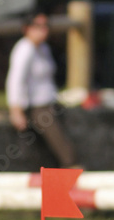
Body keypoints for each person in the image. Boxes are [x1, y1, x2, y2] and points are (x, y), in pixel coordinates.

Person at [6, 12, 77, 168]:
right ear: (27, 28)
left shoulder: (43, 48)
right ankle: (73, 172)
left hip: (49, 102)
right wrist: (15, 109)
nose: (43, 30)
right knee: (62, 146)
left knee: (54, 147)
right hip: (37, 107)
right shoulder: (24, 49)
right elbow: (15, 79)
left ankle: (62, 176)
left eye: (46, 26)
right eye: (38, 26)